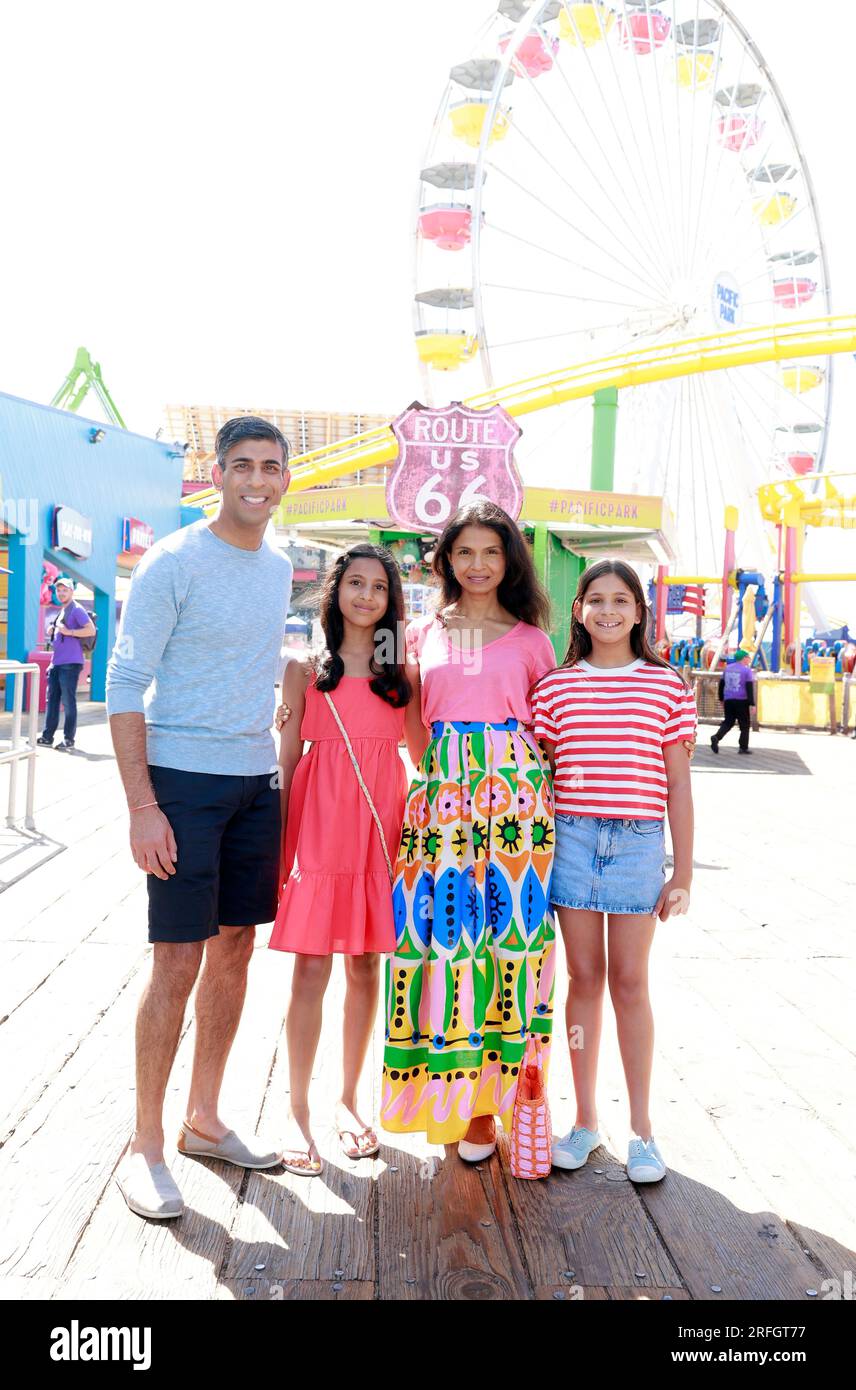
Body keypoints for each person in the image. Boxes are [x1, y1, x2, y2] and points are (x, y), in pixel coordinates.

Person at [105, 415, 293, 1221]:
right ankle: (145, 1144)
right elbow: (123, 684)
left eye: (271, 467)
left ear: (287, 478)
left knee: (237, 952)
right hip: (182, 783)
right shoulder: (172, 561)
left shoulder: (282, 566)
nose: (257, 479)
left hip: (258, 781)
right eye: (243, 466)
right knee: (175, 964)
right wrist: (143, 806)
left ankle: (205, 1119)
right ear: (216, 473)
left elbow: (255, 662)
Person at [380, 501, 557, 1162]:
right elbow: (404, 710)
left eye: (491, 551)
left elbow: (552, 729)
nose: (478, 565)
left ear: (509, 559)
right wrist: (433, 771)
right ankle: (451, 1103)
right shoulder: (419, 631)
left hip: (516, 806)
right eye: (465, 553)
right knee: (443, 944)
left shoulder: (534, 640)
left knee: (512, 946)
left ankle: (499, 1105)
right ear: (446, 561)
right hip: (443, 802)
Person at [531, 560, 696, 1185]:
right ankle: (585, 1120)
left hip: (637, 845)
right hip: (569, 839)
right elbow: (538, 772)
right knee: (583, 980)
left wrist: (682, 869)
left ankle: (644, 1132)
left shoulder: (666, 685)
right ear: (577, 610)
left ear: (639, 611)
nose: (607, 610)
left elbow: (678, 783)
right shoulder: (555, 687)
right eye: (595, 599)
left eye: (620, 599)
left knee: (630, 982)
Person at [271, 544, 411, 1176]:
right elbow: (285, 761)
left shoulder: (401, 675)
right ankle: (297, 1111)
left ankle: (349, 1101)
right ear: (335, 592)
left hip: (380, 829)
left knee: (365, 967)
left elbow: (429, 755)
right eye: (354, 584)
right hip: (319, 831)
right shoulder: (305, 669)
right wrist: (277, 851)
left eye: (378, 588)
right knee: (309, 969)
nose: (365, 596)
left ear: (390, 601)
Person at [36, 576, 95, 751]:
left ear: (71, 591)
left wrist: (69, 631)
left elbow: (90, 629)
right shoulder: (63, 610)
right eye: (59, 590)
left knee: (68, 702)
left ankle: (69, 739)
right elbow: (61, 633)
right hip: (57, 663)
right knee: (52, 701)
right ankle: (47, 737)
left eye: (65, 590)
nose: (61, 593)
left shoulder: (76, 609)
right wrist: (53, 629)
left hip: (70, 663)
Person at [711, 648, 755, 755]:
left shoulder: (727, 669)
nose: (749, 659)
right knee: (744, 725)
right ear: (743, 658)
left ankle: (716, 737)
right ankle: (743, 747)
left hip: (729, 700)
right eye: (748, 657)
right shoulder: (747, 671)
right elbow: (749, 688)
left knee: (728, 722)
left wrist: (721, 699)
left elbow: (721, 685)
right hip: (741, 700)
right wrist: (752, 704)